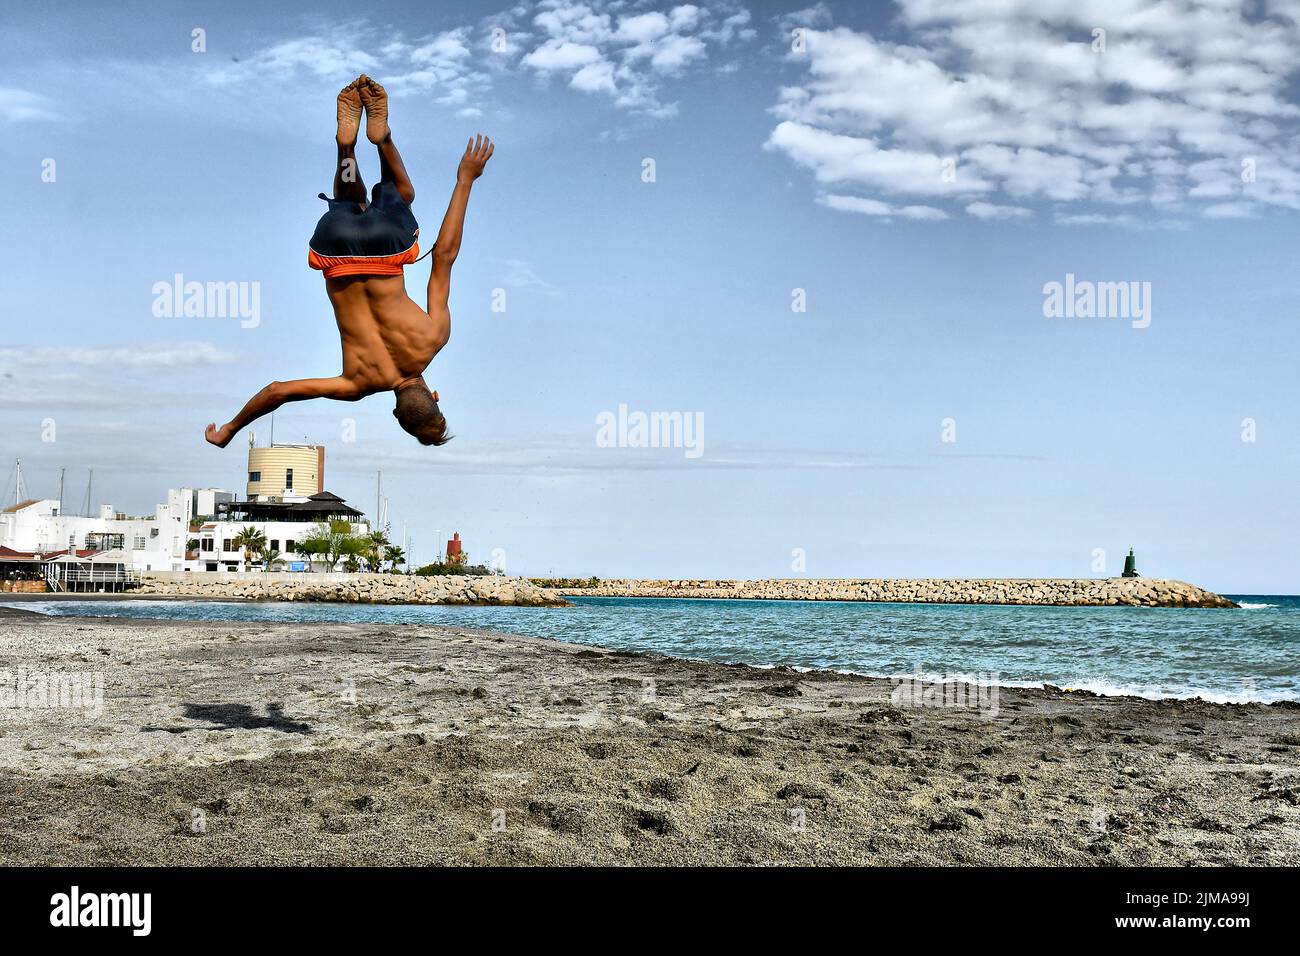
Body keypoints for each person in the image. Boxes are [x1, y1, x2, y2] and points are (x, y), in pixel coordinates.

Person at [205, 75, 493, 448]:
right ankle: (345, 147)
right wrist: (230, 428)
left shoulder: (433, 338)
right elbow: (278, 391)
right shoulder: (355, 385)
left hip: (387, 252)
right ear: (395, 413)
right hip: (335, 250)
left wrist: (465, 179)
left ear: (435, 396)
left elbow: (444, 257)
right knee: (347, 206)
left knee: (401, 193)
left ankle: (381, 139)